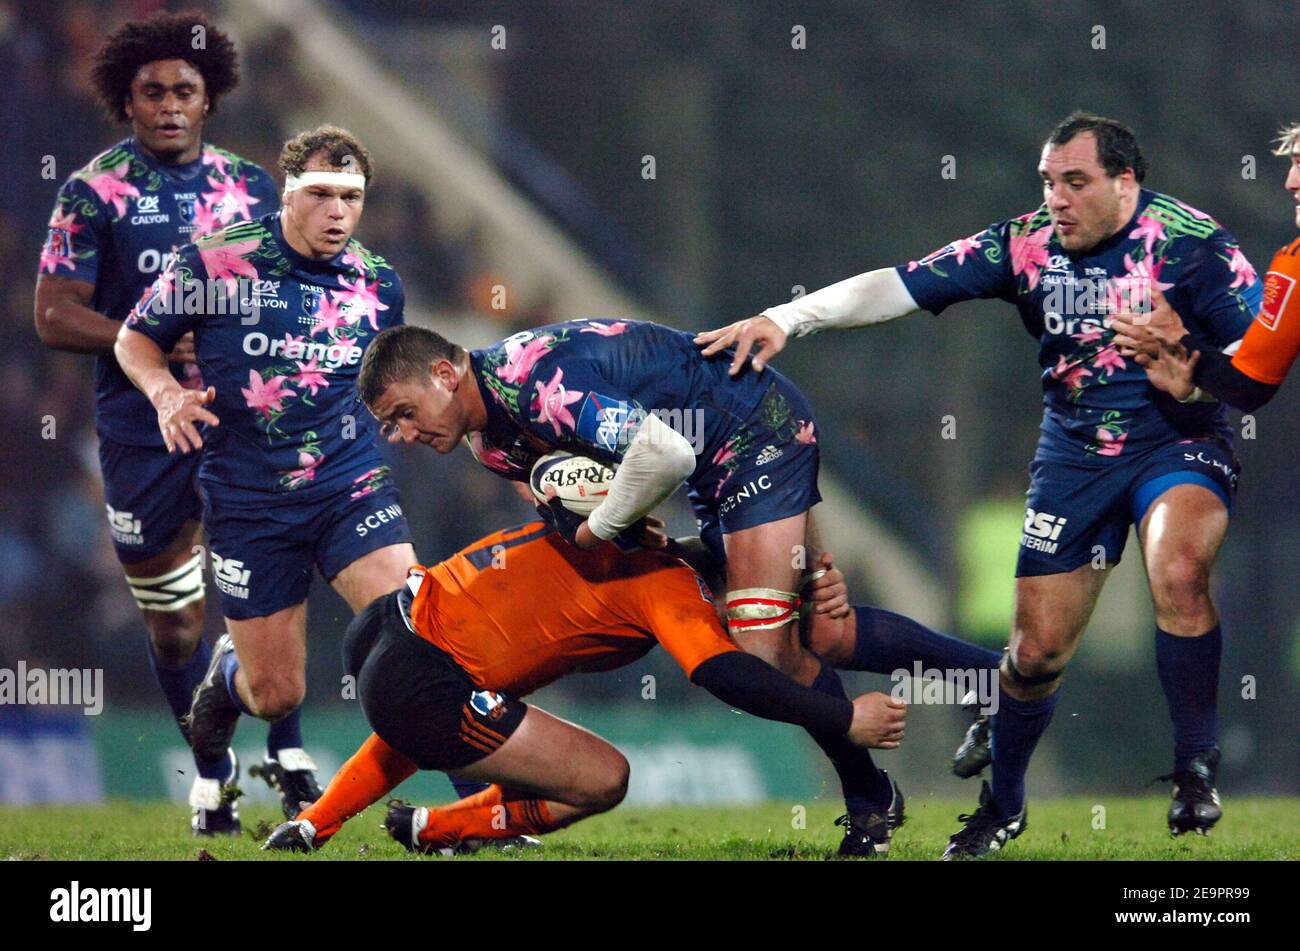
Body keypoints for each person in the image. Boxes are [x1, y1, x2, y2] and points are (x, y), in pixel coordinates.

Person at [694, 112, 1263, 856]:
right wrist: (788, 317)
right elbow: (900, 285)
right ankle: (1004, 806)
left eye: (1076, 182)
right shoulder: (1024, 245)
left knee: (1178, 568)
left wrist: (1191, 368)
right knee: (1032, 659)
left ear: (1127, 184)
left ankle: (1194, 766)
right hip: (1074, 457)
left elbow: (1259, 361)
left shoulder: (1196, 247)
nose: (1056, 199)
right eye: (1049, 182)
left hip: (1178, 441)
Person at [356, 318, 937, 855]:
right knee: (813, 629)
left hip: (751, 426)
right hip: (705, 467)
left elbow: (664, 452)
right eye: (389, 426)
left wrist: (601, 527)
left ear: (443, 374)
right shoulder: (491, 441)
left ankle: (997, 690)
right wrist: (615, 524)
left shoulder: (538, 387)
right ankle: (988, 692)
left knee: (772, 645)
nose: (401, 434)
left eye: (403, 413)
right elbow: (578, 496)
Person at [33, 10, 297, 835]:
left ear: (209, 97)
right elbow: (49, 313)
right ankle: (213, 771)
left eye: (186, 89)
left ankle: (289, 759)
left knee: (266, 587)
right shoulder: (93, 192)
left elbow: (296, 292)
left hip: (240, 419)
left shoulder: (254, 191)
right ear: (127, 100)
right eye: (153, 91)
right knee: (178, 624)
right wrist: (137, 334)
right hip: (143, 427)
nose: (171, 104)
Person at [262, 522, 906, 855]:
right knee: (603, 778)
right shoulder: (672, 583)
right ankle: (438, 830)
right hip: (416, 672)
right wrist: (842, 718)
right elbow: (720, 673)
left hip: (389, 626)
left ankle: (312, 827)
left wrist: (318, 823)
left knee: (434, 715)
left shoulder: (619, 531)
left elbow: (410, 721)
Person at [114, 125, 414, 822]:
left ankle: (480, 817)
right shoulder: (216, 264)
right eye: (319, 194)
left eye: (351, 196)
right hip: (248, 500)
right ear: (286, 193)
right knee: (274, 691)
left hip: (347, 483)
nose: (336, 211)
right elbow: (135, 337)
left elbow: (385, 378)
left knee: (415, 628)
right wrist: (165, 393)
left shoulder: (379, 284)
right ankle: (226, 680)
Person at [1113, 122, 1300, 410]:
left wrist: (1176, 337)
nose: (1291, 182)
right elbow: (1247, 386)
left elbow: (1249, 388)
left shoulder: (1295, 265)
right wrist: (1191, 387)